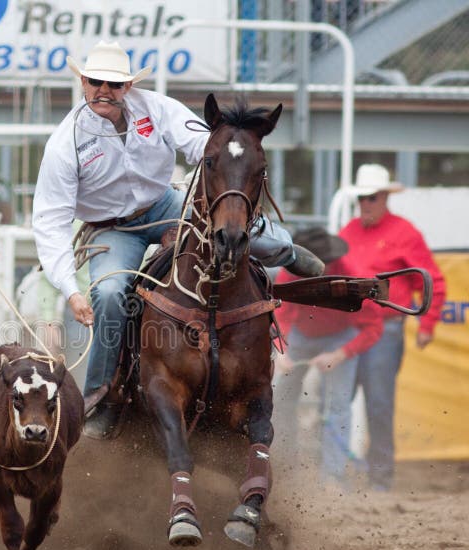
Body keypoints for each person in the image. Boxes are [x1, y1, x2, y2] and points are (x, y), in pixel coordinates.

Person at [31, 40, 324, 439]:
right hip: (113, 228)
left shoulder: (159, 110)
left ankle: (285, 249)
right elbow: (50, 220)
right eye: (96, 81)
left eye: (114, 84)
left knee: (230, 226)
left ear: (128, 87)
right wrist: (69, 289)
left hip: (165, 202)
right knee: (111, 292)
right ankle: (101, 395)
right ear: (83, 82)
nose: (104, 90)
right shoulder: (65, 144)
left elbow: (207, 149)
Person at [339, 163, 447, 490]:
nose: (365, 205)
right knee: (337, 403)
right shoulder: (348, 232)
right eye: (362, 199)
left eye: (371, 198)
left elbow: (431, 282)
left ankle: (380, 480)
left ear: (385, 197)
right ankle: (333, 474)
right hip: (350, 330)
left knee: (379, 403)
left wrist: (427, 323)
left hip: (384, 331)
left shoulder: (405, 233)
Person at [273, 227, 383, 488]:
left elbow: (373, 327)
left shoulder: (353, 277)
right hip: (300, 335)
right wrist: (280, 349)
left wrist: (341, 353)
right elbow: (280, 316)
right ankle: (281, 468)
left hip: (340, 336)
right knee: (279, 400)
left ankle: (333, 476)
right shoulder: (289, 274)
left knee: (338, 405)